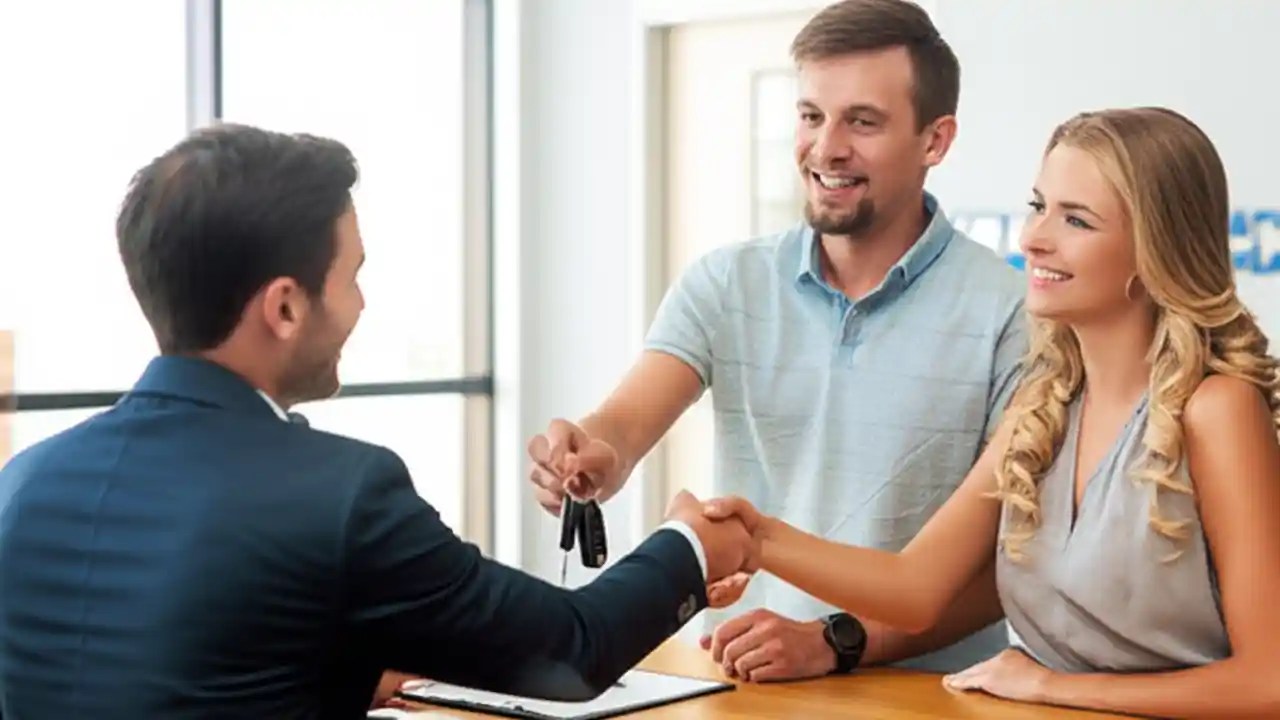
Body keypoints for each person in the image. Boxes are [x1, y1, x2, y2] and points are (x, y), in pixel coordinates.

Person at [0, 123, 757, 719]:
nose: (361, 304)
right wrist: (693, 545)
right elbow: (569, 652)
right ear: (288, 306)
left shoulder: (26, 482)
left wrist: (342, 672)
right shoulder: (338, 492)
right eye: (353, 275)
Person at [702, 106, 1280, 717]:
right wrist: (756, 538)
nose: (1033, 238)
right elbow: (915, 589)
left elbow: (1269, 683)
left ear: (1156, 249)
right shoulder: (1043, 406)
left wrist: (1051, 686)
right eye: (1039, 207)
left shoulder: (1217, 410)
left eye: (1077, 219)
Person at [527, 0, 1024, 679]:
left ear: (934, 141)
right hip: (745, 681)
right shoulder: (726, 281)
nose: (827, 148)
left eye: (863, 121)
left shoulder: (1012, 312)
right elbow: (624, 422)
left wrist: (836, 640)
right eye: (812, 115)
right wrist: (589, 456)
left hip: (932, 696)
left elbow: (1003, 568)